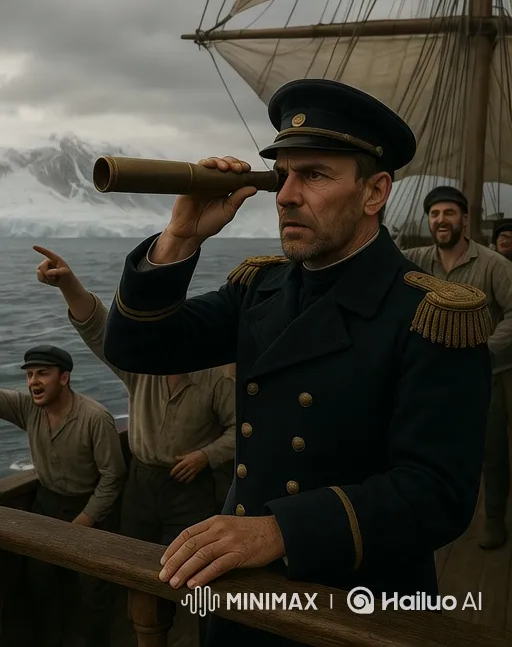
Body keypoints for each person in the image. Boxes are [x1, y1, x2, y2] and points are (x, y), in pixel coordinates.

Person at [102, 79, 492, 647]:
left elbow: (438, 494)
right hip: (242, 592)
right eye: (281, 175)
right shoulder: (259, 288)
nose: (285, 194)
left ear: (374, 192)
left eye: (313, 175)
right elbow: (136, 347)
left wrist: (281, 529)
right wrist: (180, 234)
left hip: (358, 606)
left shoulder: (429, 315)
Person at [33, 245, 236, 647]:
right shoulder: (142, 366)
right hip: (142, 483)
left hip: (190, 489)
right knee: (136, 572)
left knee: (196, 580)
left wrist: (204, 456)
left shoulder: (216, 379)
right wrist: (68, 284)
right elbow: (100, 331)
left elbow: (239, 430)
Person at [401, 186, 512, 550]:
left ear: (464, 220)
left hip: (485, 377)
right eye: (434, 214)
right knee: (421, 445)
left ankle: (493, 519)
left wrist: (485, 351)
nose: (441, 220)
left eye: (449, 213)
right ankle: (428, 514)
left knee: (490, 450)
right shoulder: (415, 261)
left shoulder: (494, 265)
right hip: (427, 379)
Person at [0, 345, 126, 647]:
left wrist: (85, 519)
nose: (34, 382)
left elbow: (113, 476)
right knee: (42, 583)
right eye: (30, 375)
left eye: (43, 373)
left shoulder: (95, 418)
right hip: (46, 503)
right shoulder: (29, 407)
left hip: (89, 507)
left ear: (65, 377)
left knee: (93, 591)